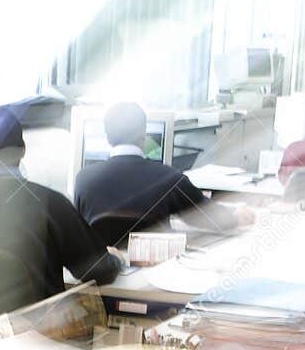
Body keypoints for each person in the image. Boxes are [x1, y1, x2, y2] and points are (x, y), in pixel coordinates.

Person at [0, 106, 120, 314]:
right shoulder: (52, 203)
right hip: (38, 331)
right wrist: (116, 259)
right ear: (22, 150)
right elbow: (99, 271)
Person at [72, 101, 254, 246]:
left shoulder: (83, 180)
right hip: (154, 273)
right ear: (143, 135)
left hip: (102, 276)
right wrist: (236, 216)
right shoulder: (169, 178)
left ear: (107, 137)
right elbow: (207, 216)